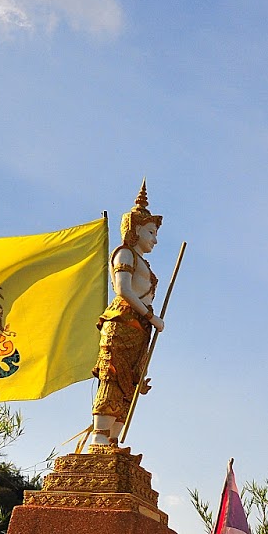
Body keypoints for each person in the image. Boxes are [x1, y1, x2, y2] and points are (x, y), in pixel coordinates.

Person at [89, 182, 164, 446]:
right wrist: (151, 316)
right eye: (151, 232)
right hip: (121, 321)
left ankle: (113, 441)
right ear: (135, 230)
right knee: (112, 376)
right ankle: (98, 439)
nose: (154, 239)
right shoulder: (124, 253)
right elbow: (122, 290)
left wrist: (148, 320)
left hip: (139, 328)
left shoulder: (143, 261)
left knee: (130, 382)